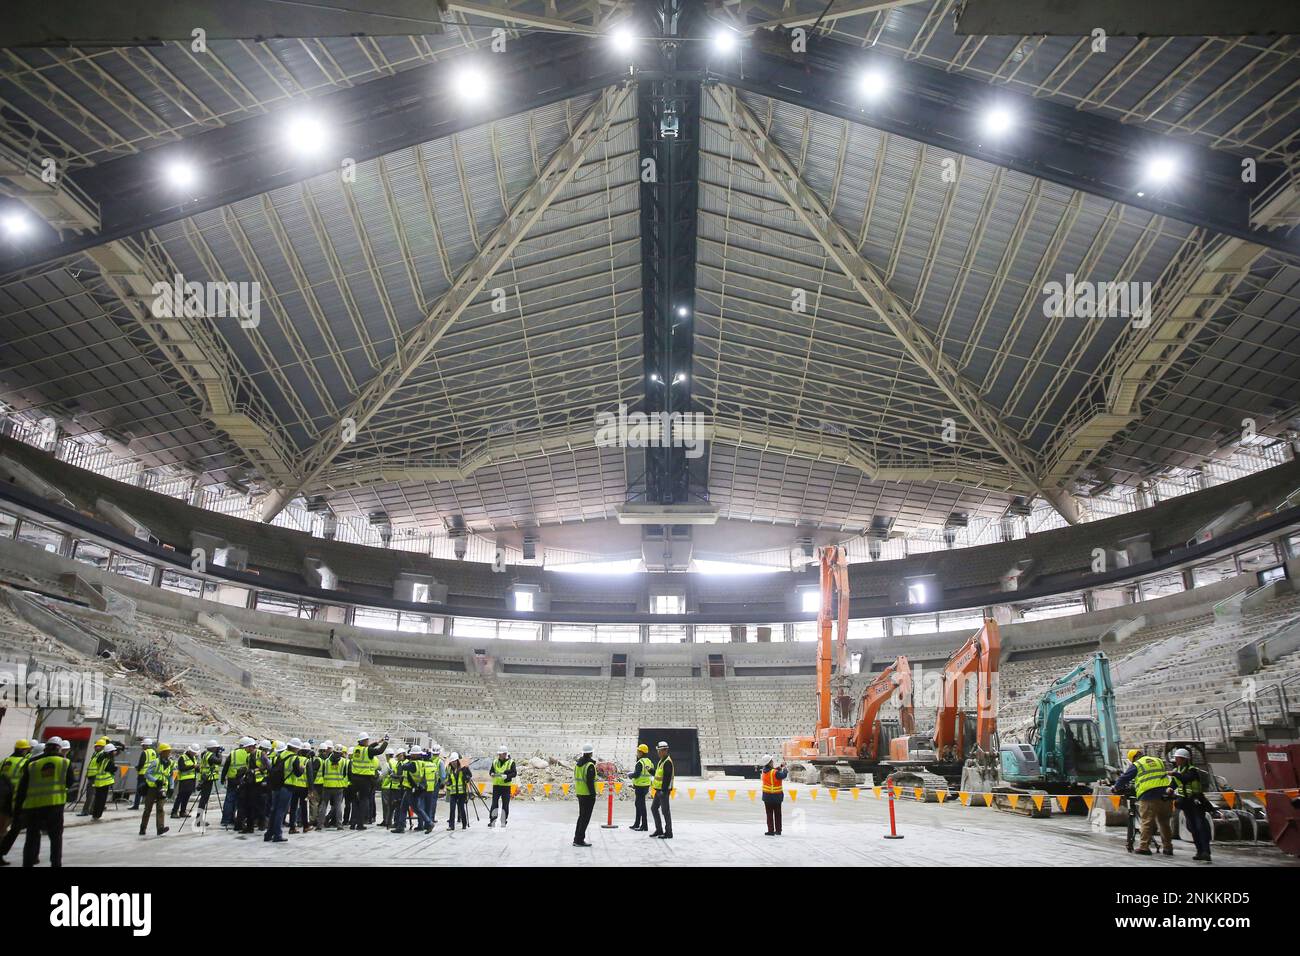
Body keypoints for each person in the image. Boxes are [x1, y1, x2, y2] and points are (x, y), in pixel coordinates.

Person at [13, 737, 70, 868]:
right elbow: (70, 781)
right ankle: (56, 864)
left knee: (31, 838)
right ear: (59, 748)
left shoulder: (32, 763)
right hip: (55, 806)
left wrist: (17, 811)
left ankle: (27, 863)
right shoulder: (63, 762)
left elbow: (22, 788)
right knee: (55, 839)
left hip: (33, 806)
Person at [1113, 747, 1174, 856]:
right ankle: (1168, 848)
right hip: (1165, 795)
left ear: (1133, 759)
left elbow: (1125, 777)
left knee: (1147, 822)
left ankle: (1144, 847)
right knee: (1164, 823)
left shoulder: (1138, 764)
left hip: (1149, 796)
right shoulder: (1158, 761)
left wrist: (1115, 788)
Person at [1167, 748, 1215, 863]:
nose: (1176, 761)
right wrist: (1169, 788)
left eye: (1178, 758)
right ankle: (1199, 851)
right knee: (1192, 827)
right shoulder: (1177, 770)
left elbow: (1185, 779)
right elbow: (1174, 783)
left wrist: (1174, 774)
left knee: (1200, 827)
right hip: (1186, 803)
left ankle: (1206, 852)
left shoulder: (1192, 771)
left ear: (1184, 759)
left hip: (1196, 802)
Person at [0, 738, 34, 861]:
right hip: (14, 800)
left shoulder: (5, 761)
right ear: (24, 750)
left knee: (2, 827)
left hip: (2, 798)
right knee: (10, 828)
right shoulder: (25, 763)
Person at [347, 732, 389, 830]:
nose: (368, 741)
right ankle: (360, 824)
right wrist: (386, 742)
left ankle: (353, 823)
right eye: (367, 740)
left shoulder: (356, 749)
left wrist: (378, 742)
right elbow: (380, 751)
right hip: (365, 779)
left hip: (355, 778)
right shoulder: (368, 751)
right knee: (364, 801)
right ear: (364, 741)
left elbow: (368, 748)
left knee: (355, 802)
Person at [138, 742, 171, 837]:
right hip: (152, 788)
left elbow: (170, 775)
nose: (169, 753)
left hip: (162, 788)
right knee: (148, 809)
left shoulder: (169, 763)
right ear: (162, 752)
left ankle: (160, 828)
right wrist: (156, 780)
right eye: (167, 751)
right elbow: (147, 774)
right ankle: (143, 828)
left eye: (169, 751)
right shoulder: (155, 762)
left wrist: (171, 787)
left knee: (160, 809)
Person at [221, 737, 256, 828]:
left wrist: (222, 778)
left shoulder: (233, 753)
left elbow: (226, 767)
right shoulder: (250, 754)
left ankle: (226, 820)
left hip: (232, 779)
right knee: (239, 801)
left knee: (229, 800)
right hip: (244, 780)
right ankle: (236, 819)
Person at [264, 741, 294, 843]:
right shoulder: (293, 758)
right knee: (281, 811)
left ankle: (269, 833)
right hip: (286, 787)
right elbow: (298, 773)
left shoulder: (276, 758)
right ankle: (277, 834)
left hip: (275, 787)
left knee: (274, 810)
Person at [317, 742, 349, 830]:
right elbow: (345, 774)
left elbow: (323, 773)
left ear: (333, 752)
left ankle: (320, 825)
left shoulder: (326, 761)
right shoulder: (344, 762)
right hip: (339, 787)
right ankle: (339, 825)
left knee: (323, 805)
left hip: (327, 786)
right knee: (338, 806)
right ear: (341, 753)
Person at [572, 744, 597, 847]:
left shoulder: (578, 764)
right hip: (587, 795)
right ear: (591, 753)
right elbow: (590, 782)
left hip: (580, 793)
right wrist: (593, 794)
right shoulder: (589, 765)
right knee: (585, 818)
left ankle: (577, 839)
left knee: (581, 817)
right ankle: (579, 840)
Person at [77, 738, 110, 816]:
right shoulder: (96, 754)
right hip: (91, 776)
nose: (95, 747)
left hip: (95, 777)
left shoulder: (101, 755)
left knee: (90, 795)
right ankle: (91, 809)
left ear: (102, 747)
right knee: (91, 794)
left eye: (98, 746)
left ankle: (86, 811)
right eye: (96, 746)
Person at [649, 741, 674, 840]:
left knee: (665, 811)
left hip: (664, 791)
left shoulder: (667, 762)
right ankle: (659, 830)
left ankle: (668, 832)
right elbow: (659, 775)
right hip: (659, 790)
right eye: (658, 751)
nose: (658, 752)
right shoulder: (661, 761)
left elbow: (667, 778)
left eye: (659, 751)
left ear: (664, 750)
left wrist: (663, 791)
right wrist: (651, 771)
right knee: (654, 808)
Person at [87, 742, 117, 821]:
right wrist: (115, 768)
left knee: (97, 799)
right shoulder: (109, 761)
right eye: (113, 751)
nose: (115, 752)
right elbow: (112, 769)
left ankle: (95, 814)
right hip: (105, 782)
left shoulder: (101, 758)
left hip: (98, 782)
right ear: (110, 752)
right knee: (102, 801)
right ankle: (98, 815)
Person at [627, 744, 654, 831]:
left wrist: (630, 775)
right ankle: (637, 823)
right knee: (638, 804)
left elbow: (637, 774)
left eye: (638, 751)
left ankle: (644, 826)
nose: (637, 753)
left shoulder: (640, 763)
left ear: (642, 752)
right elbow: (652, 772)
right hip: (646, 786)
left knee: (641, 805)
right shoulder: (649, 761)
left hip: (640, 787)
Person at [760, 755, 788, 836]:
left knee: (769, 814)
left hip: (767, 797)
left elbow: (774, 771)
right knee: (777, 814)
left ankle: (770, 831)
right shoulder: (775, 772)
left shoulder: (764, 771)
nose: (773, 762)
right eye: (772, 761)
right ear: (769, 763)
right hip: (776, 796)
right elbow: (783, 775)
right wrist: (785, 768)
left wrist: (781, 766)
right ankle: (778, 830)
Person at [489, 746, 516, 827]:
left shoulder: (511, 762)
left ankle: (503, 821)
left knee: (505, 804)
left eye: (500, 754)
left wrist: (507, 776)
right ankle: (492, 820)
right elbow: (491, 771)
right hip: (496, 786)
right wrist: (492, 774)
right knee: (494, 804)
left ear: (505, 754)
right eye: (499, 754)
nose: (499, 755)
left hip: (506, 787)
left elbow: (514, 773)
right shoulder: (495, 762)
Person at [286, 740, 310, 833]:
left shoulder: (294, 758)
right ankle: (305, 826)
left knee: (293, 807)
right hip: (303, 788)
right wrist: (311, 789)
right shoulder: (307, 761)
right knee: (303, 807)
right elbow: (310, 777)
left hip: (294, 786)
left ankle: (292, 827)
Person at [171, 744, 199, 818]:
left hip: (192, 780)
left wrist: (198, 768)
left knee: (187, 796)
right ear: (189, 750)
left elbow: (195, 769)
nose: (194, 753)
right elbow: (182, 768)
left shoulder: (194, 758)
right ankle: (174, 812)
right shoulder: (182, 757)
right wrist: (193, 766)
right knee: (180, 796)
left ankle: (183, 811)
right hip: (184, 780)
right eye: (193, 752)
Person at [445, 753, 471, 831]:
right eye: (452, 762)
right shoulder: (450, 769)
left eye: (454, 761)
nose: (453, 763)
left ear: (457, 761)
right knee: (452, 809)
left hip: (461, 792)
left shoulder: (463, 769)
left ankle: (464, 824)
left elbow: (469, 776)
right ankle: (451, 826)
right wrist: (448, 783)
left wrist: (466, 777)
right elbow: (449, 779)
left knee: (461, 808)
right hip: (453, 793)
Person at [381, 747, 406, 828]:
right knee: (397, 806)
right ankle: (396, 822)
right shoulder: (397, 763)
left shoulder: (389, 763)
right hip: (396, 787)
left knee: (389, 806)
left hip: (390, 786)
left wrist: (392, 776)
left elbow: (383, 775)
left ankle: (388, 821)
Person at [196, 740, 222, 817]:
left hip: (205, 778)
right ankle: (199, 819)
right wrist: (220, 754)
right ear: (213, 748)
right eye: (216, 748)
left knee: (203, 799)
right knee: (204, 800)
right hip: (207, 779)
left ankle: (199, 818)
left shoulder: (205, 754)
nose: (217, 749)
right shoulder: (210, 755)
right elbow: (219, 761)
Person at [132, 738, 156, 810]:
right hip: (150, 774)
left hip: (143, 774)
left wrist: (138, 768)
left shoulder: (144, 752)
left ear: (146, 745)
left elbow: (141, 763)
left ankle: (136, 805)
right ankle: (147, 805)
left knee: (139, 790)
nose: (142, 747)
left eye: (143, 745)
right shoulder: (154, 752)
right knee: (148, 790)